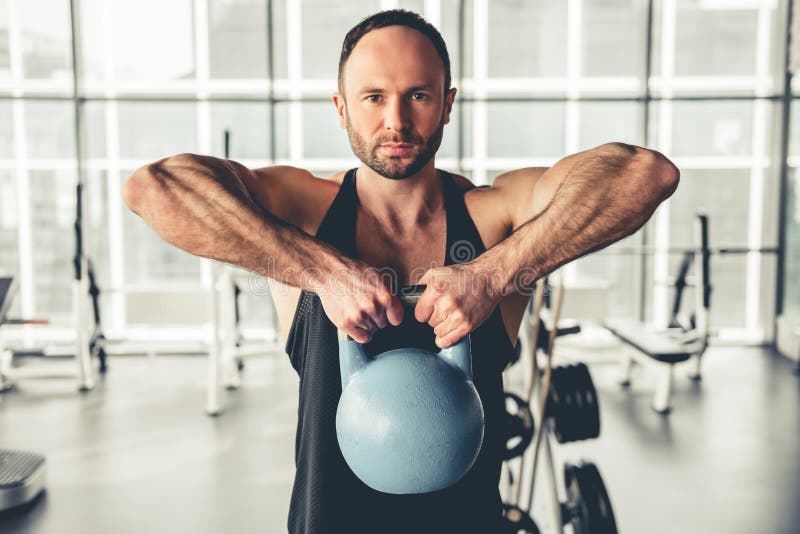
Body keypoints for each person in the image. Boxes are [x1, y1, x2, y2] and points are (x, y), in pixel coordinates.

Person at [123, 9, 679, 534]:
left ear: (447, 104)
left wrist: (493, 274)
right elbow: (154, 187)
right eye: (373, 97)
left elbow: (645, 174)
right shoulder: (303, 213)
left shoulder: (494, 218)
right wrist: (323, 271)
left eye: (418, 95)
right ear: (341, 108)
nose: (396, 121)